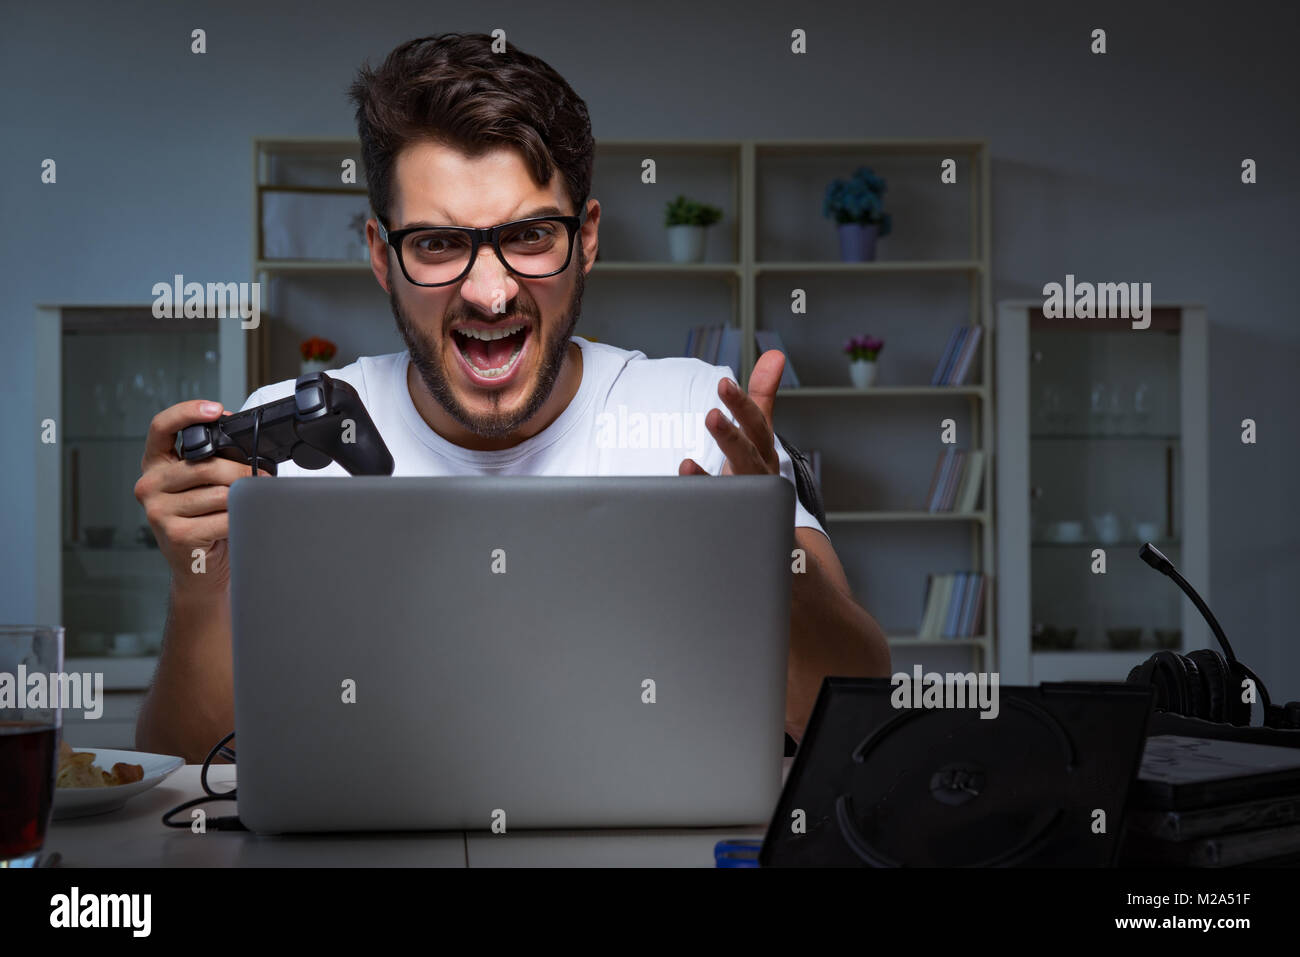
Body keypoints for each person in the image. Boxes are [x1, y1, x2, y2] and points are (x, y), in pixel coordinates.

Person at [134, 32, 889, 764]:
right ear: (379, 254)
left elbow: (855, 728)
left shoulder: (701, 418)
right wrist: (199, 588)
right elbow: (187, 784)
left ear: (587, 238)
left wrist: (773, 566)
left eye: (529, 236)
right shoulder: (282, 456)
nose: (489, 293)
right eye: (436, 244)